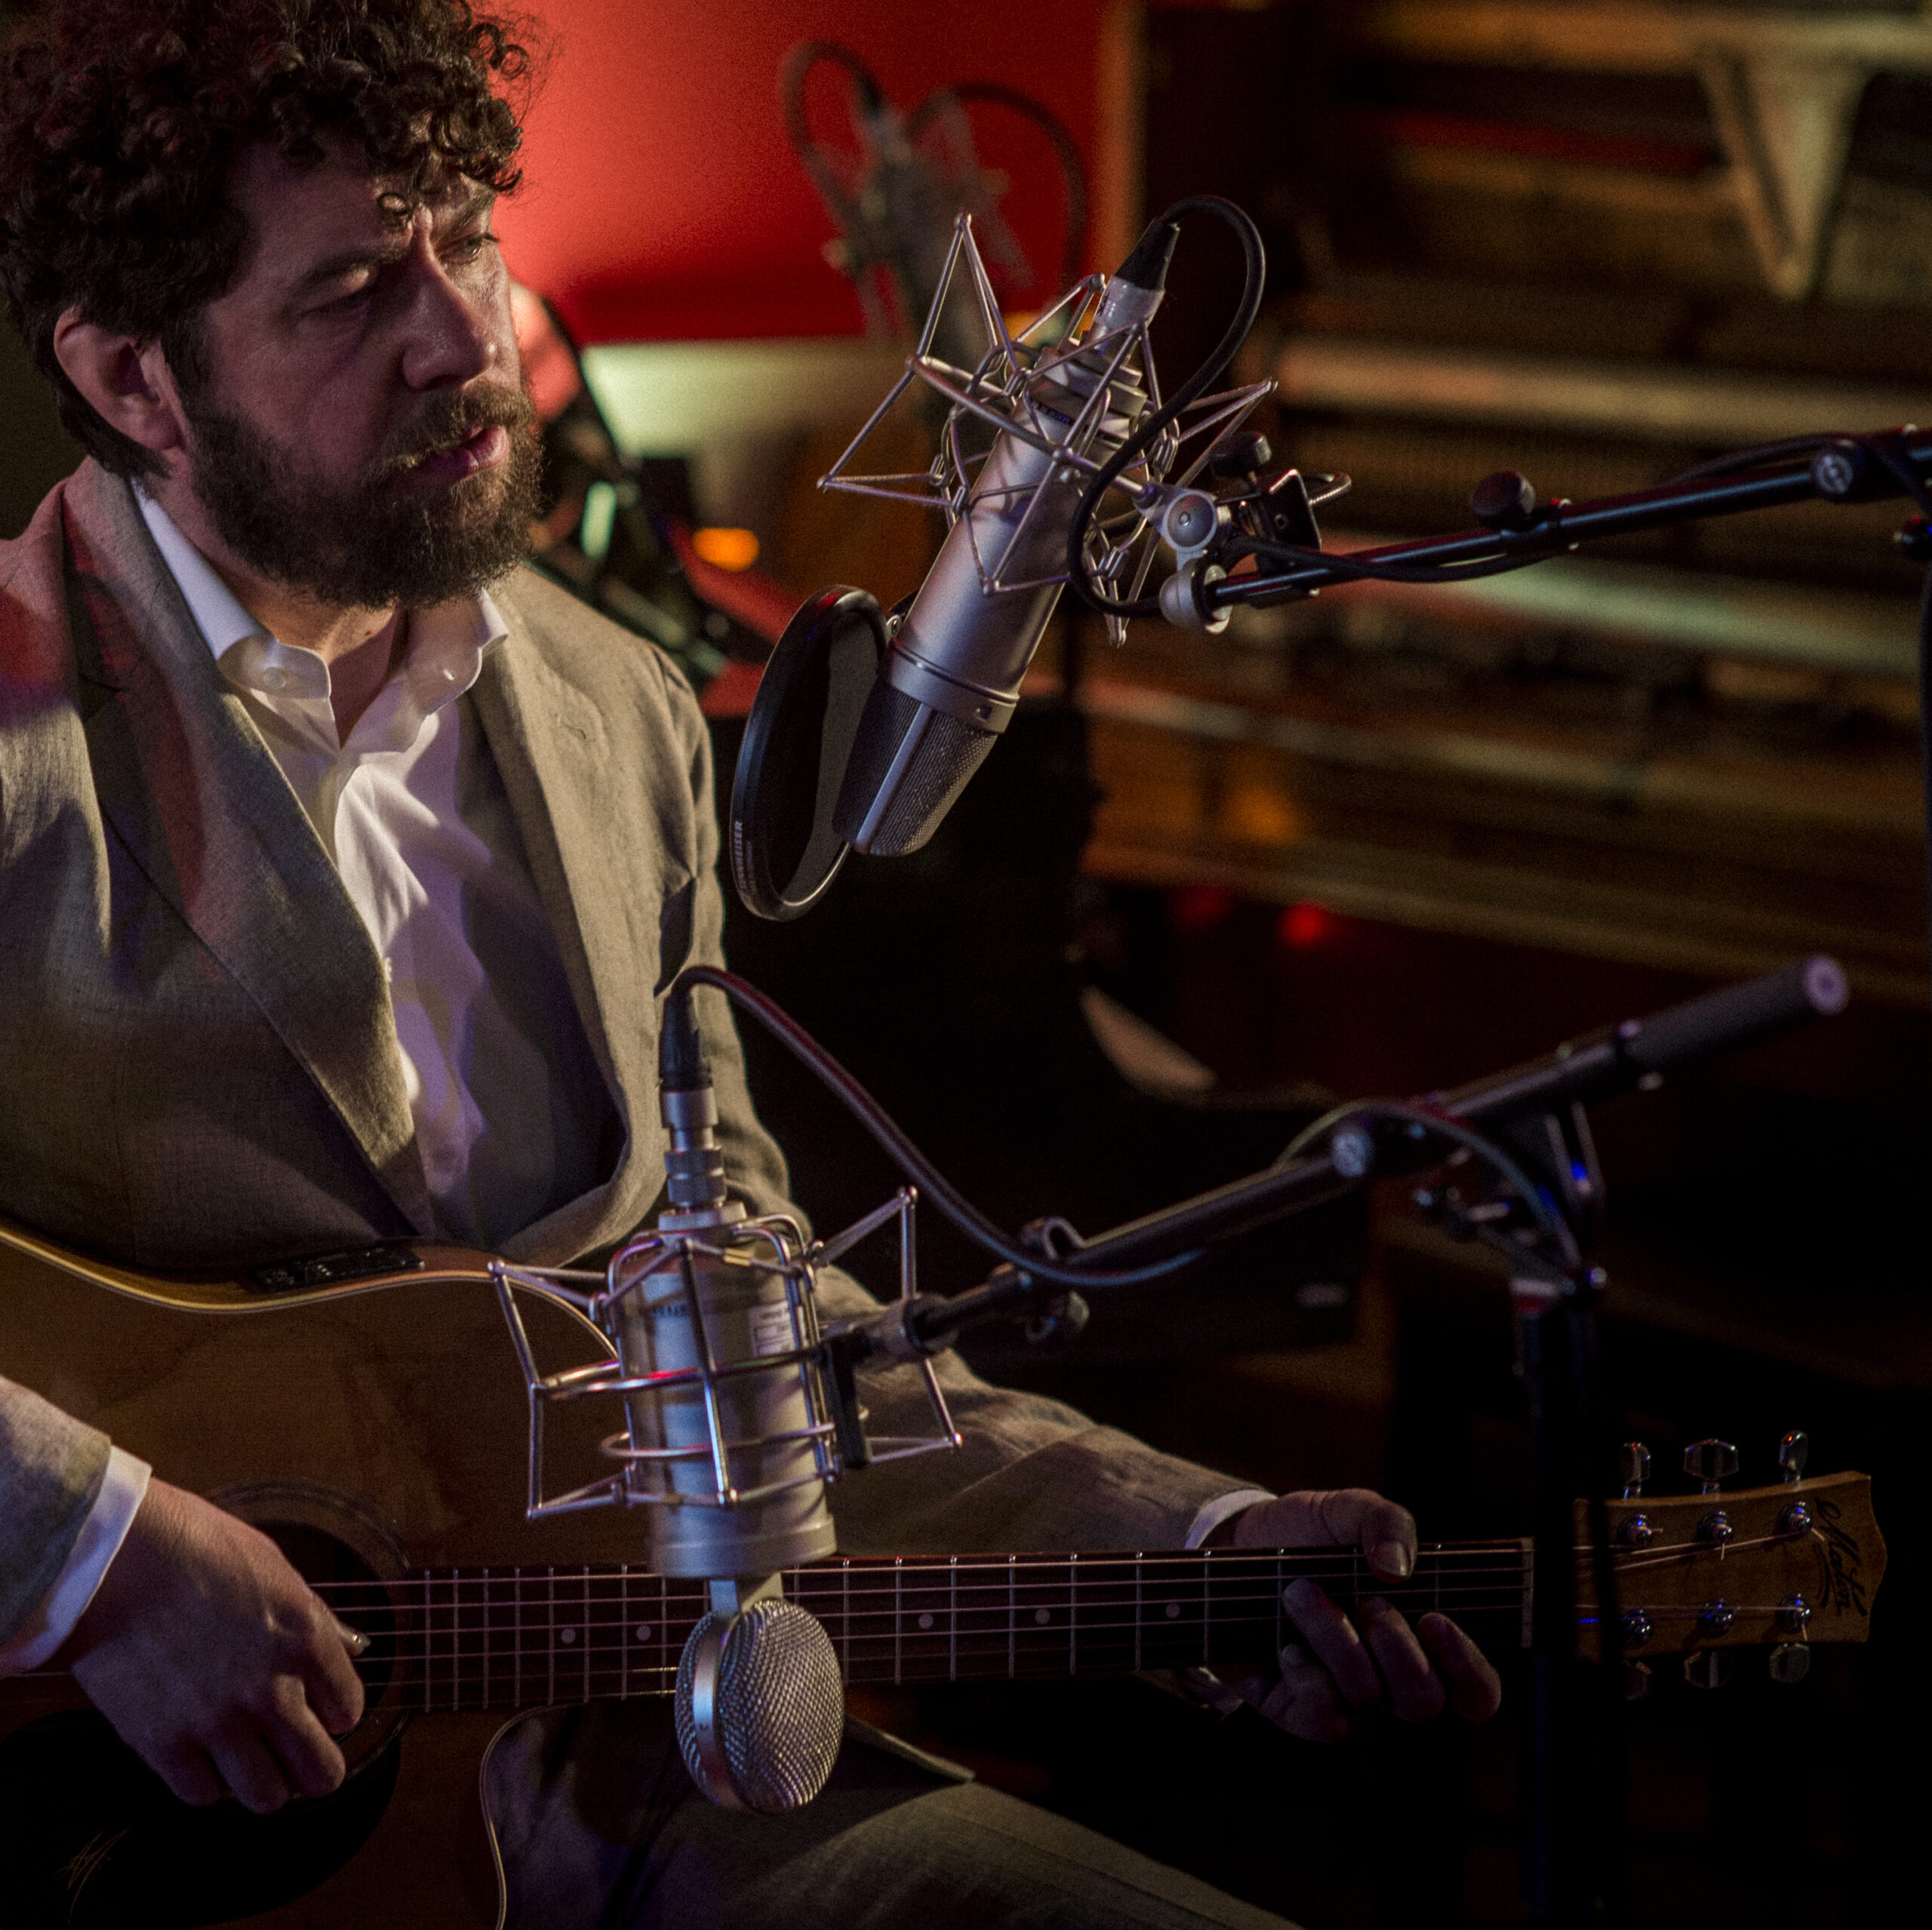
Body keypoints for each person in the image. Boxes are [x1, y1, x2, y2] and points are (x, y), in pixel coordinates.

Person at [0, 2, 1500, 1922]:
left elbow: (758, 1351)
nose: (467, 331)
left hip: (639, 1768)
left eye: (468, 233)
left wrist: (1190, 1536)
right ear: (136, 378)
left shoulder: (619, 713)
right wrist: (100, 1562)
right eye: (359, 284)